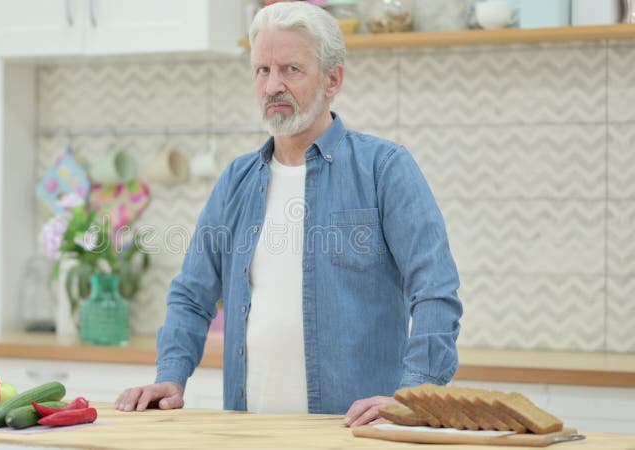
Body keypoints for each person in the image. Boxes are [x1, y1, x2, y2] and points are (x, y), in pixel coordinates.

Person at [115, 1, 462, 428]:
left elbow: (435, 290)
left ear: (333, 79)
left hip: (358, 435)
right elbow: (191, 294)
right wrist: (170, 376)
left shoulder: (384, 169)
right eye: (262, 70)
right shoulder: (236, 180)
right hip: (250, 430)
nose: (273, 86)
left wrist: (415, 396)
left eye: (290, 70)